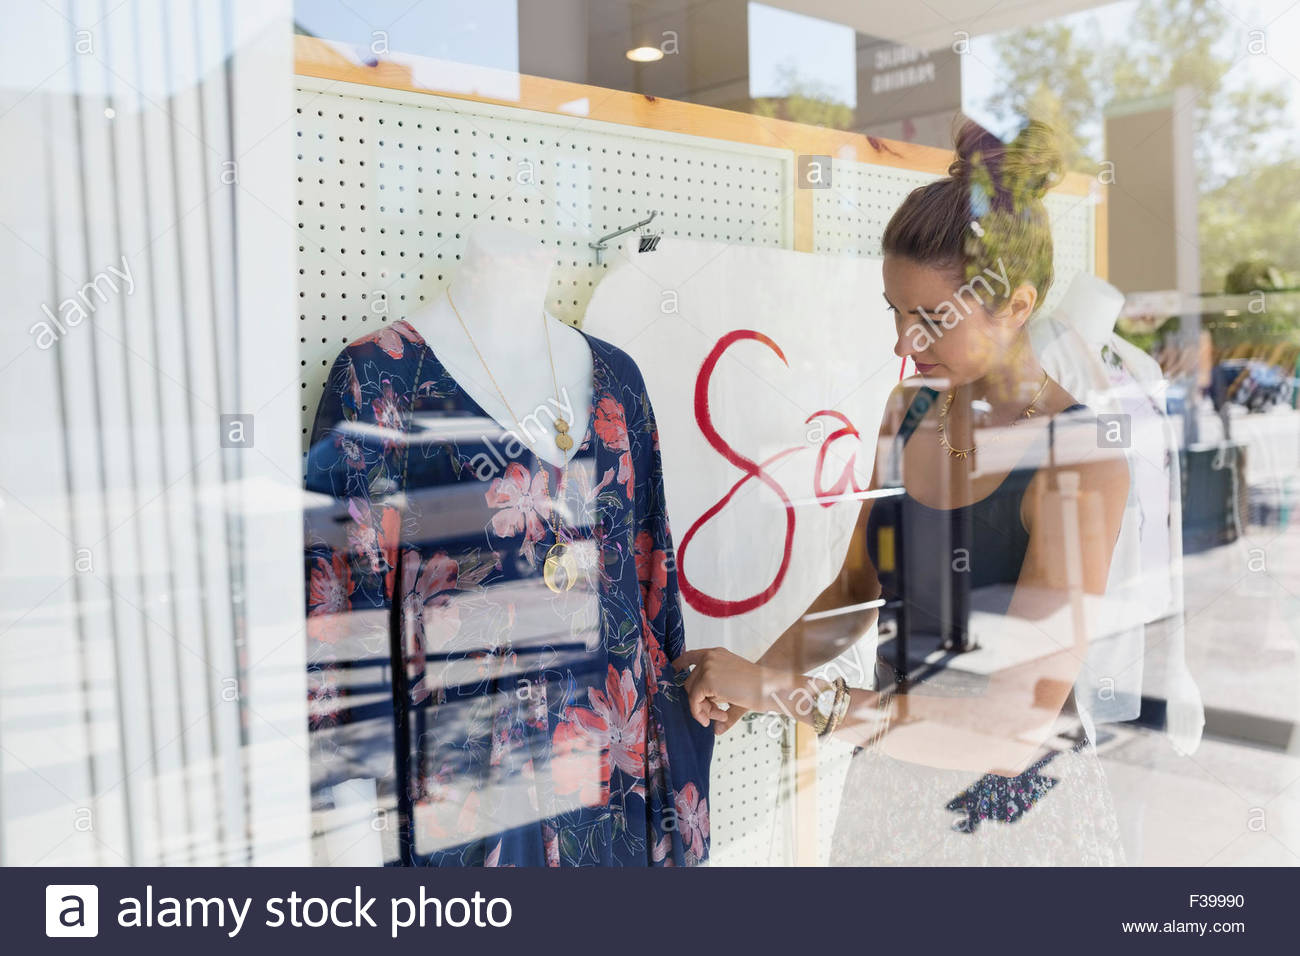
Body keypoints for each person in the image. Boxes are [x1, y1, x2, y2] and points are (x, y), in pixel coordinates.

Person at [673, 118, 1133, 865]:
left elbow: (1012, 730)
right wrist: (758, 679)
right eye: (895, 311)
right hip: (889, 791)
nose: (902, 344)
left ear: (1016, 306)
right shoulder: (908, 412)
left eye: (930, 320)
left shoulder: (1079, 459)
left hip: (1013, 824)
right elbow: (858, 589)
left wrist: (789, 697)